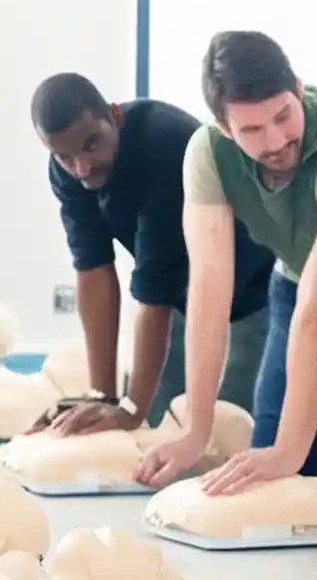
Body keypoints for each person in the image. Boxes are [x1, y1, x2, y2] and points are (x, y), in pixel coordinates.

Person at [135, 31, 317, 491]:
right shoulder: (208, 155)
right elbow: (209, 296)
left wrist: (290, 451)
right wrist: (197, 431)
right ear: (222, 127)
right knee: (269, 469)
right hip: (294, 288)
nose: (276, 140)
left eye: (283, 116)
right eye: (252, 131)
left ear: (298, 89)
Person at [30, 73, 274, 435]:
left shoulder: (166, 142)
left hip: (255, 295)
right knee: (154, 433)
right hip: (184, 299)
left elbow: (152, 287)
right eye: (64, 156)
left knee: (226, 431)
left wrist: (128, 408)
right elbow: (93, 269)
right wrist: (105, 397)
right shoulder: (67, 172)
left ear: (115, 115)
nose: (81, 166)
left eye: (92, 144)